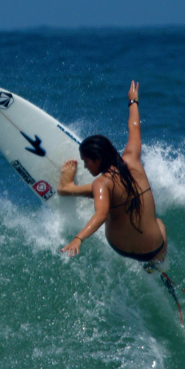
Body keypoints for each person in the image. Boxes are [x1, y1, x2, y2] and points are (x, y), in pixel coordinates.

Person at [58, 81, 167, 263]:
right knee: (159, 223)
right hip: (155, 249)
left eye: (86, 161)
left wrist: (78, 238)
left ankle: (67, 189)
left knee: (105, 197)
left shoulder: (100, 183)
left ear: (98, 159)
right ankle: (157, 263)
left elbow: (101, 214)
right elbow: (134, 127)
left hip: (121, 248)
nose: (85, 166)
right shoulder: (132, 158)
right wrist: (133, 102)